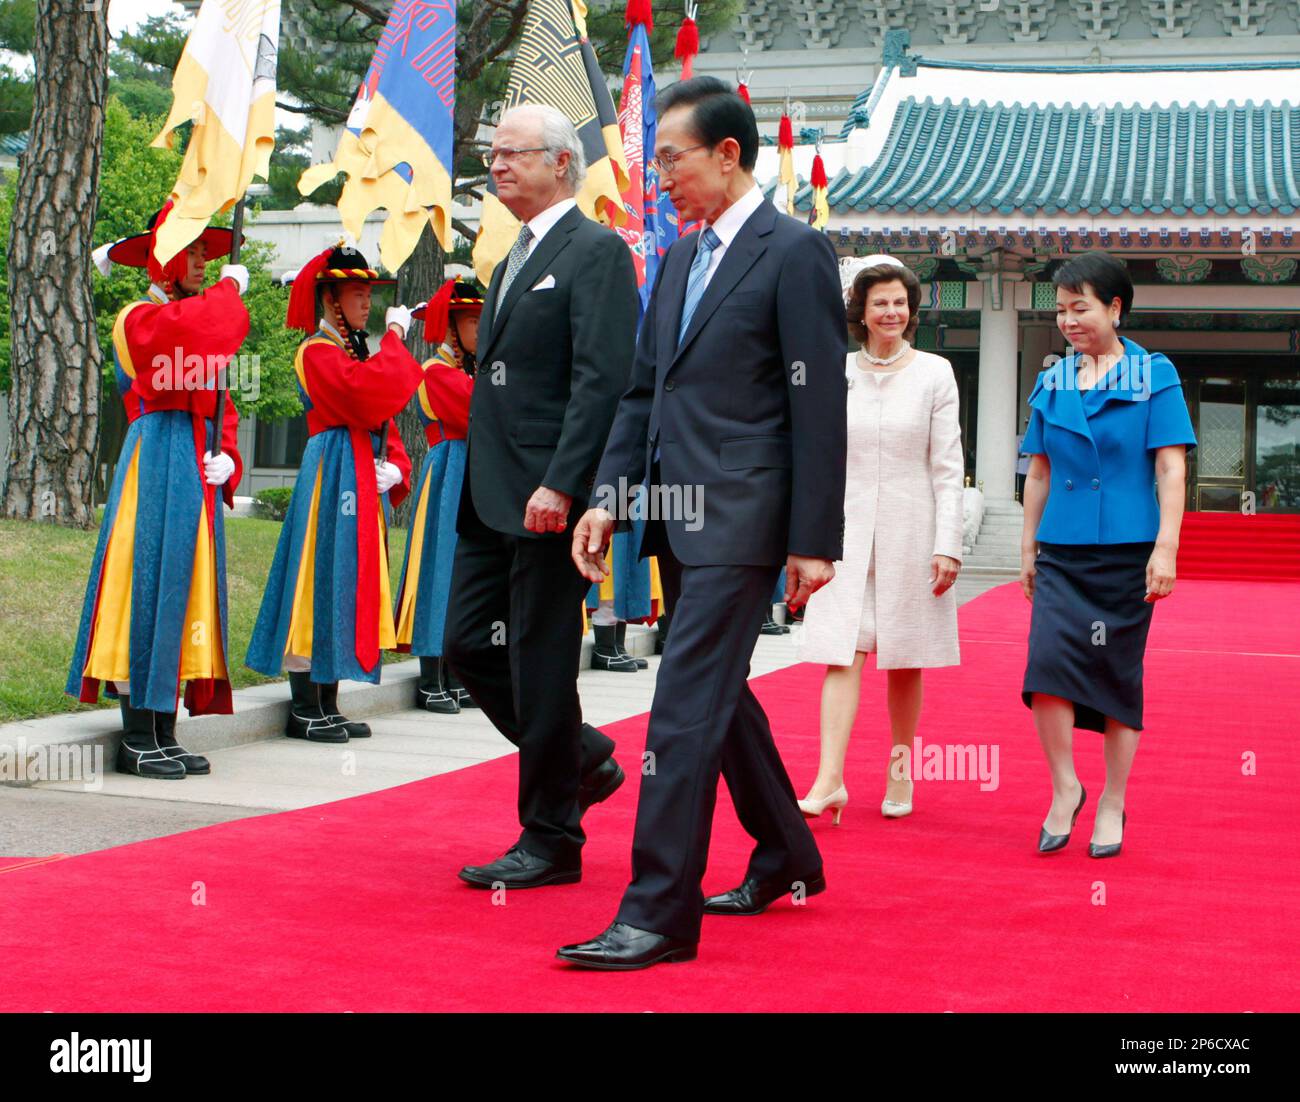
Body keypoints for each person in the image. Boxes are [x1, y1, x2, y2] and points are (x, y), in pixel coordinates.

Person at [560, 76, 847, 970]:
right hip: (671, 511)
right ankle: (787, 853)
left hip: (745, 517)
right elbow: (645, 392)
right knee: (720, 700)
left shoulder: (794, 252)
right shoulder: (679, 260)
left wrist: (812, 540)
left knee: (682, 707)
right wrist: (609, 498)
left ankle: (656, 913)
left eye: (673, 159)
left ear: (728, 154)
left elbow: (819, 402)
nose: (662, 179)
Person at [444, 104, 639, 890]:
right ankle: (581, 758)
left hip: (551, 496)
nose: (498, 165)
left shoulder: (595, 253)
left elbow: (603, 380)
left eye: (514, 153)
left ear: (563, 163)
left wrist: (564, 480)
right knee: (466, 644)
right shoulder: (511, 257)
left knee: (542, 661)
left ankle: (550, 837)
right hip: (490, 493)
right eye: (493, 154)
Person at [1020, 251, 1196, 858]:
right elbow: (1038, 472)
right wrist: (1027, 548)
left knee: (1117, 676)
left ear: (1114, 307)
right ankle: (1065, 787)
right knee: (1045, 669)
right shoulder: (1052, 380)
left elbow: (1171, 466)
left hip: (1127, 549)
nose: (1068, 320)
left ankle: (1114, 802)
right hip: (1062, 550)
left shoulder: (1155, 374)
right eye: (1061, 310)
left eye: (1080, 307)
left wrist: (1166, 548)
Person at [69, 203, 248, 778]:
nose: (201, 261)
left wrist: (230, 459)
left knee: (185, 590)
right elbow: (192, 338)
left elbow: (220, 397)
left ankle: (163, 730)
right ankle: (137, 732)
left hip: (194, 456)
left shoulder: (192, 314)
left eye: (204, 251)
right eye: (191, 250)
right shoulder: (137, 317)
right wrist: (227, 294)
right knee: (144, 585)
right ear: (163, 258)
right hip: (157, 454)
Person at [796, 256, 964, 822]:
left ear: (911, 311)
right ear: (860, 313)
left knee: (903, 656)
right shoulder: (833, 370)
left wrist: (950, 541)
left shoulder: (935, 373)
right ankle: (829, 779)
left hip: (912, 528)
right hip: (841, 530)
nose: (892, 312)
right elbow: (815, 456)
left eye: (900, 302)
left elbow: (947, 465)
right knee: (842, 652)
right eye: (880, 303)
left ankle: (900, 770)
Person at [245, 244, 421, 742]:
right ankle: (305, 704)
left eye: (368, 294)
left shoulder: (351, 350)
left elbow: (380, 412)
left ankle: (328, 700)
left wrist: (394, 468)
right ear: (330, 301)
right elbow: (363, 396)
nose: (367, 304)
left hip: (357, 466)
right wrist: (396, 337)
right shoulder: (316, 351)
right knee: (318, 579)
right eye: (358, 294)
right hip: (332, 470)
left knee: (346, 579)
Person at [393, 279, 484, 713]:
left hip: (473, 472)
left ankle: (456, 669)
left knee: (466, 574)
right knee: (439, 567)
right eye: (472, 321)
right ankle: (431, 673)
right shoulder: (436, 372)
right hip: (449, 469)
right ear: (451, 328)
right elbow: (476, 413)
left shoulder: (473, 371)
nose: (481, 328)